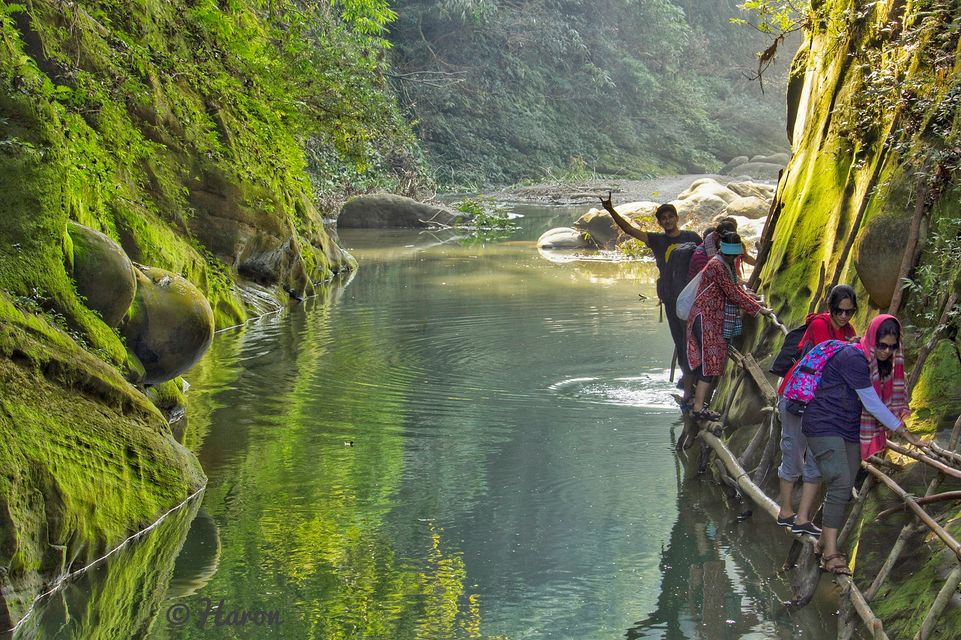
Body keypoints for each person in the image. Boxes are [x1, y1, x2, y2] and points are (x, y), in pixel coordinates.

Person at [799, 314, 923, 575]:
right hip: (823, 423)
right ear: (872, 339)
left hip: (847, 426)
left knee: (845, 486)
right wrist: (905, 432)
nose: (886, 351)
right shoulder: (854, 358)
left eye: (892, 347)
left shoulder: (878, 363)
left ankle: (823, 542)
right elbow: (872, 403)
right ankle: (830, 552)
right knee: (840, 481)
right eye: (882, 345)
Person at [599, 194, 701, 403]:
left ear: (677, 218)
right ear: (660, 222)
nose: (667, 221)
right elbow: (629, 230)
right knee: (680, 340)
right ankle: (688, 385)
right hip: (671, 298)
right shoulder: (658, 240)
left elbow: (706, 260)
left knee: (695, 338)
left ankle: (696, 381)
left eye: (670, 217)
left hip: (692, 297)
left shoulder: (692, 237)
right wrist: (610, 209)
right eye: (663, 218)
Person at [776, 285, 859, 537]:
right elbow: (828, 354)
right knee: (793, 451)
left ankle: (802, 518)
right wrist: (853, 347)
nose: (843, 316)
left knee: (815, 459)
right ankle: (785, 512)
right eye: (839, 311)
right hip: (798, 396)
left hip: (822, 404)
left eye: (849, 312)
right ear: (829, 307)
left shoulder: (849, 331)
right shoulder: (820, 324)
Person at [685, 232, 774, 420]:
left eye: (735, 255)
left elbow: (734, 289)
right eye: (730, 254)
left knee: (709, 364)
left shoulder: (724, 263)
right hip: (706, 318)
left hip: (710, 317)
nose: (733, 258)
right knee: (709, 364)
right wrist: (758, 309)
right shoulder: (717, 266)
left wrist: (753, 301)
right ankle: (698, 408)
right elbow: (733, 293)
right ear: (723, 250)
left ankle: (697, 404)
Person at [687, 217, 756, 280]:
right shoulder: (700, 256)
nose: (732, 258)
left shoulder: (732, 244)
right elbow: (712, 281)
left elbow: (745, 258)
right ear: (716, 236)